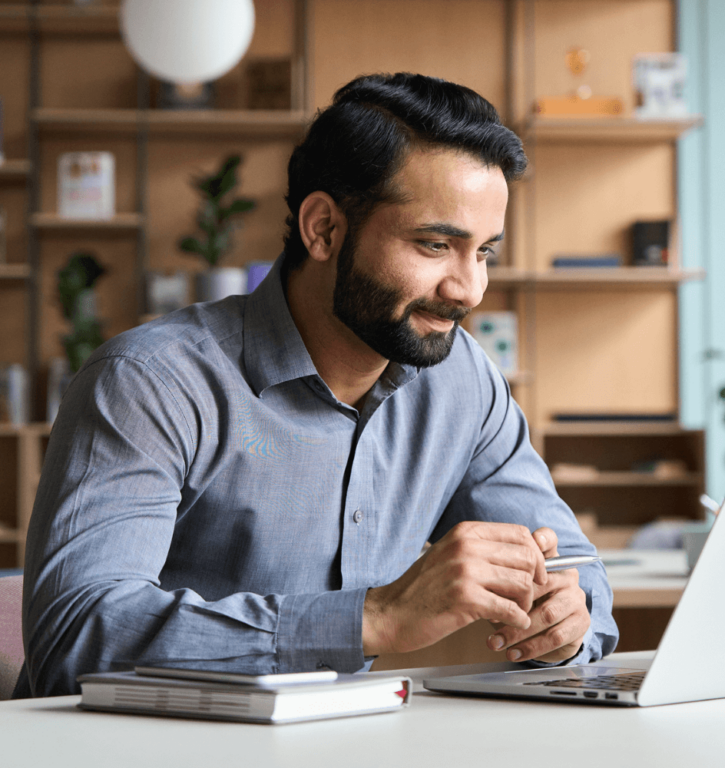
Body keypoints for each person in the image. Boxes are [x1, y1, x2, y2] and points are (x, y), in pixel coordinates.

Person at [15, 73, 618, 698]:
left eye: (484, 253)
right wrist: (375, 619)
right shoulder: (151, 383)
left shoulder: (463, 382)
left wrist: (564, 625)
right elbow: (75, 638)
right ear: (324, 228)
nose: (468, 289)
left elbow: (580, 579)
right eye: (436, 244)